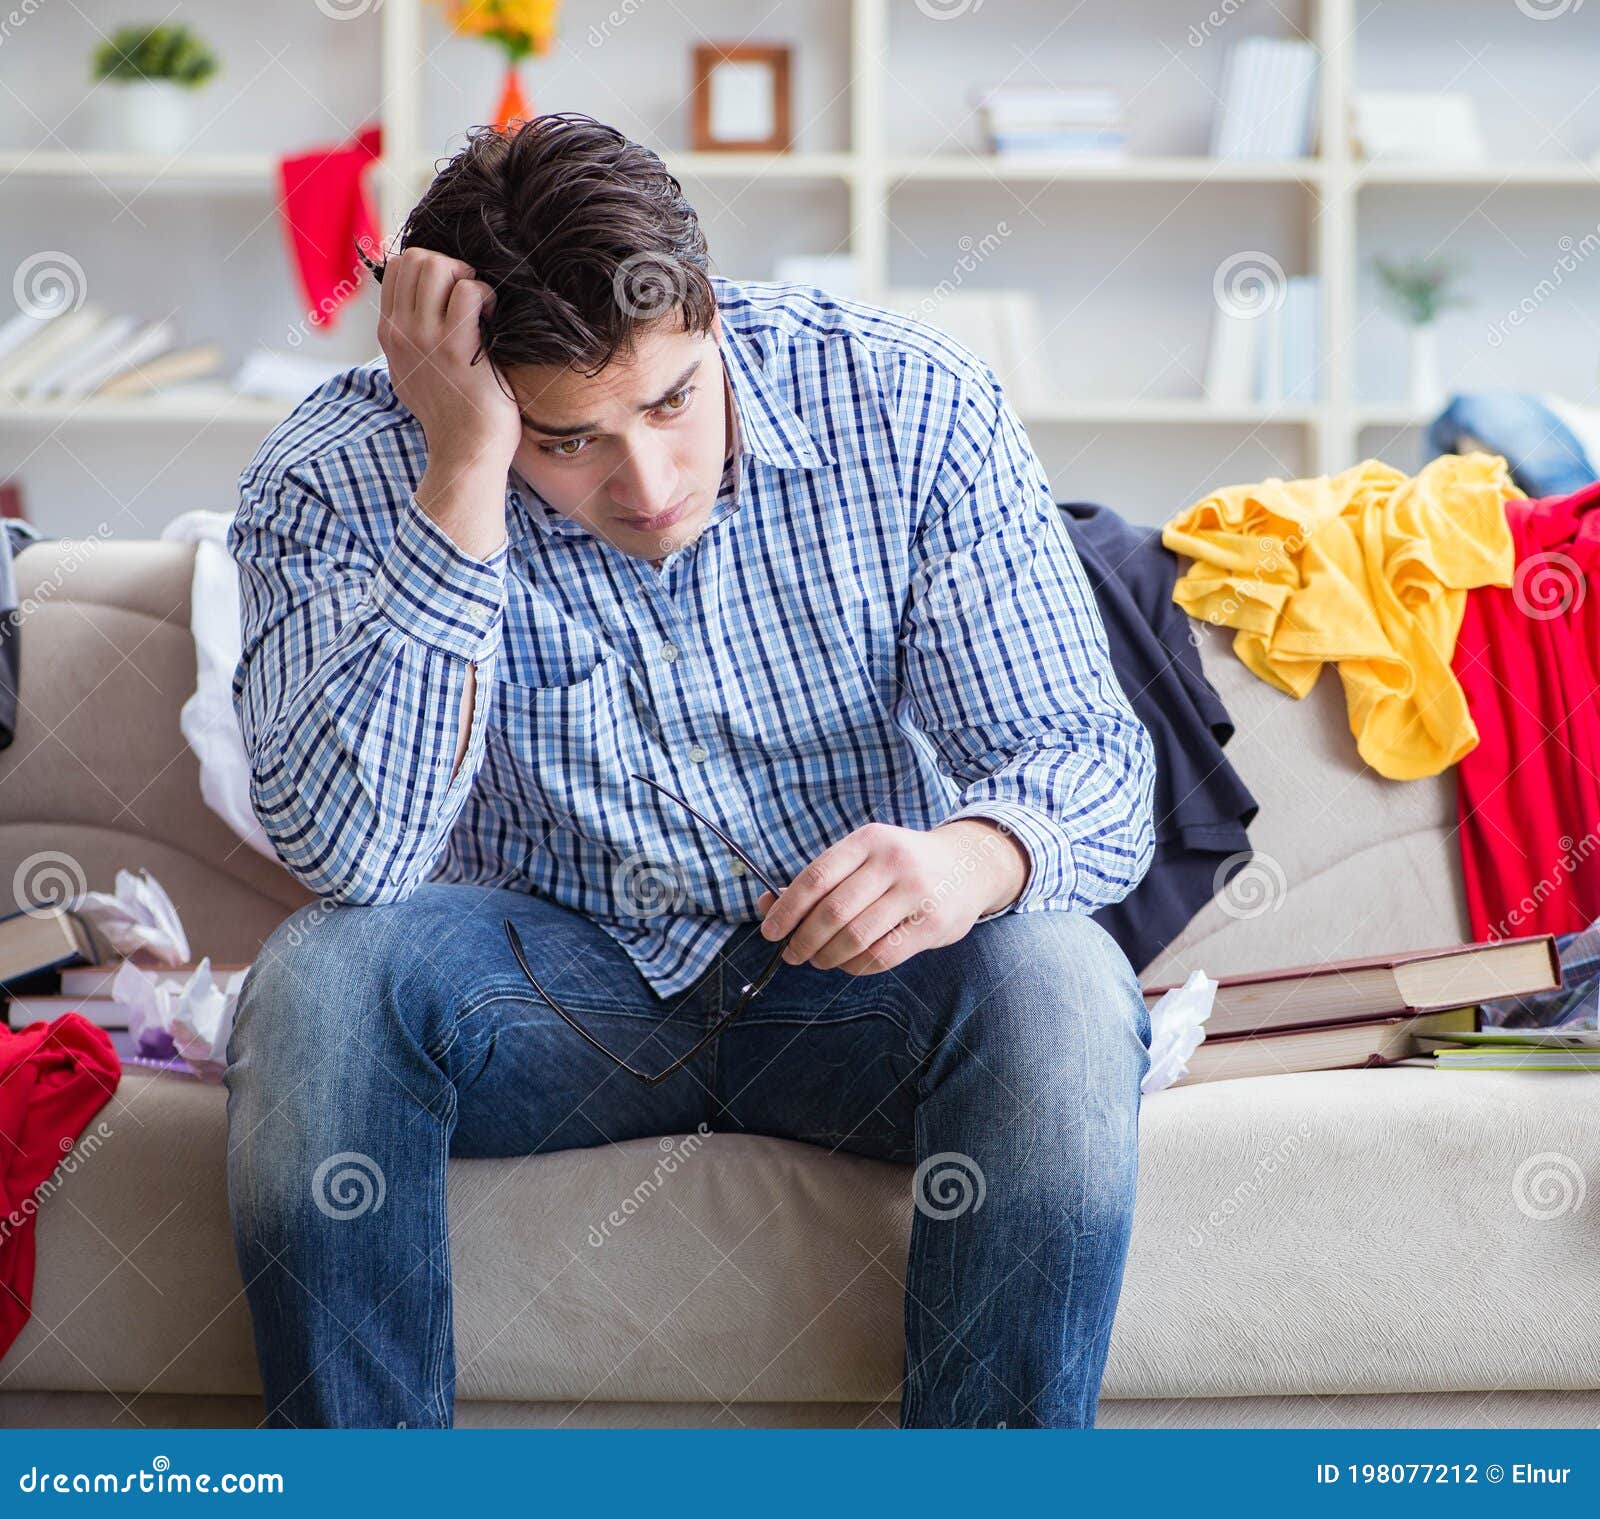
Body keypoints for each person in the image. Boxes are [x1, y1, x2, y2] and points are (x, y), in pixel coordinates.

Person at [224, 112, 1157, 1429]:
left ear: (714, 316)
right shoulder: (335, 478)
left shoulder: (908, 401)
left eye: (671, 401)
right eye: (569, 439)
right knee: (321, 978)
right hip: (543, 998)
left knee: (1062, 978)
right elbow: (351, 862)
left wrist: (970, 857)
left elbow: (1090, 767)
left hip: (855, 993)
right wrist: (466, 476)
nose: (653, 484)